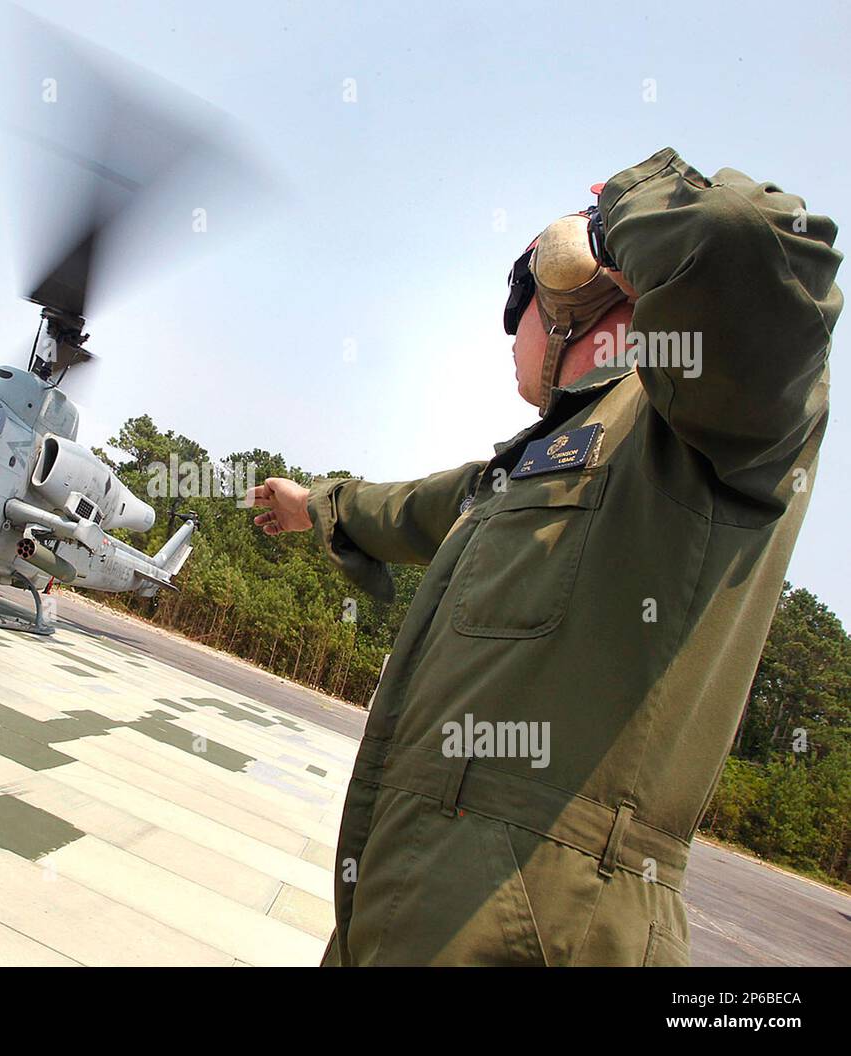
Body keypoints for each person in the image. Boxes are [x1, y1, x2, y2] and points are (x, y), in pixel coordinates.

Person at [249, 148, 843, 966]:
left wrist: (615, 213)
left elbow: (750, 243)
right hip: (407, 903)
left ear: (570, 295)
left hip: (533, 927)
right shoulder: (544, 453)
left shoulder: (696, 422)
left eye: (514, 304)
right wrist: (316, 505)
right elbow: (421, 508)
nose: (507, 335)